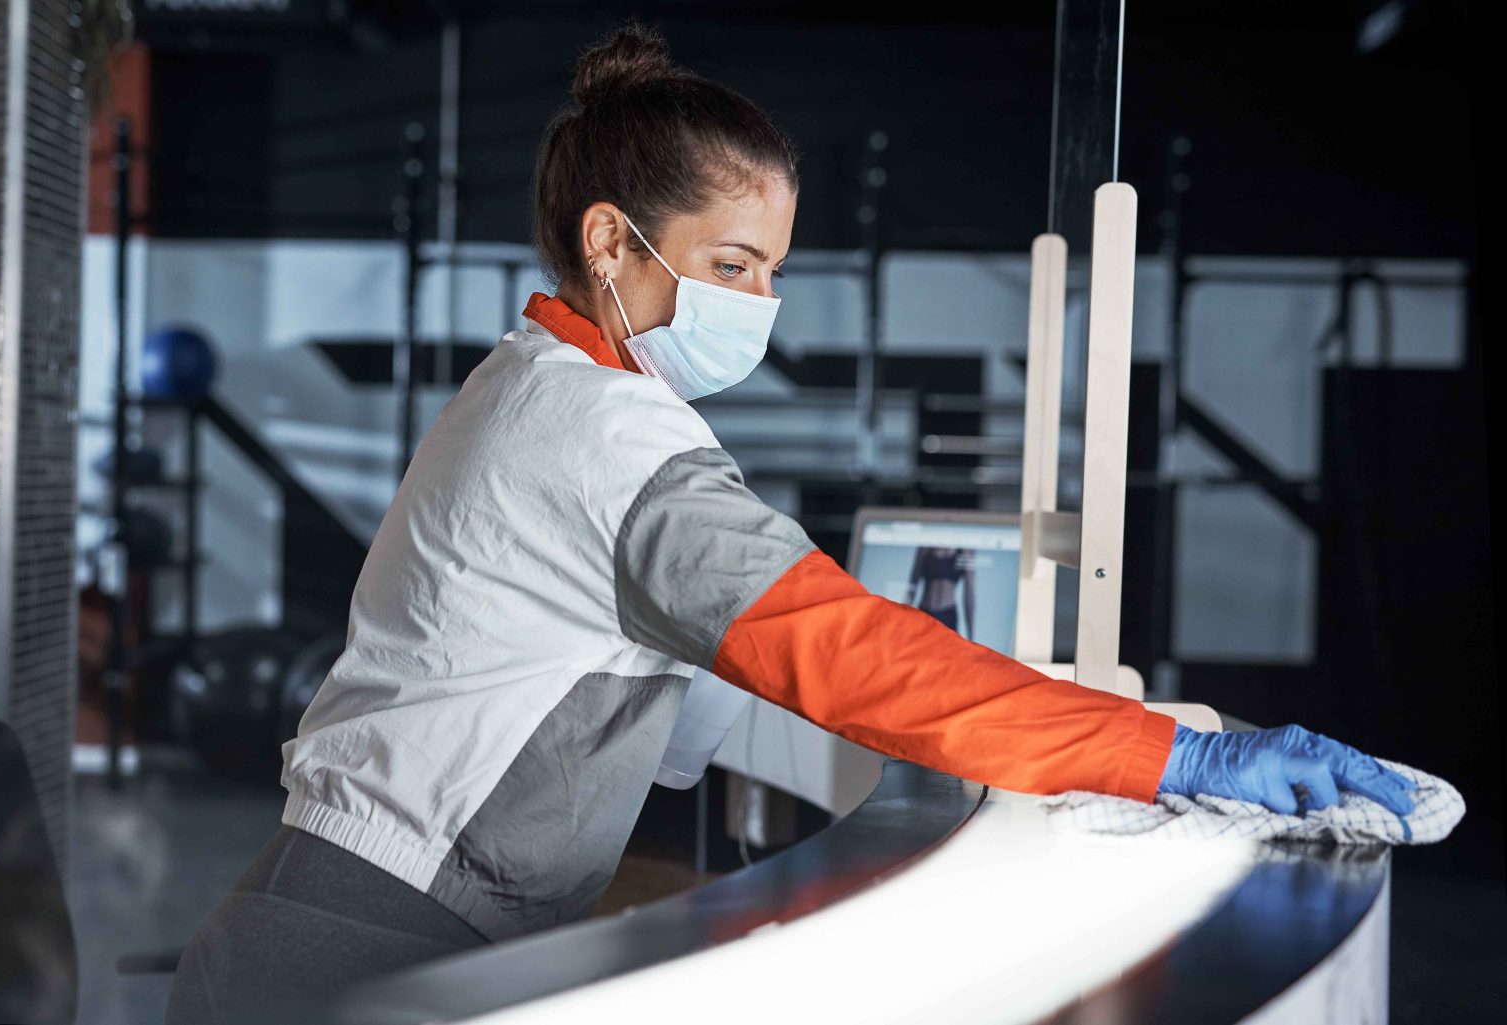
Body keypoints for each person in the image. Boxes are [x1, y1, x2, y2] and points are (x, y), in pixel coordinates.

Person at [167, 22, 1416, 1024]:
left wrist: (1000, 702)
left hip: (360, 913)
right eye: (730, 266)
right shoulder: (601, 437)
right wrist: (1168, 755)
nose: (762, 301)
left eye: (772, 270)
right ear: (613, 241)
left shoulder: (541, 384)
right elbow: (838, 652)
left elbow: (734, 659)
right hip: (363, 946)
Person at [906, 546, 977, 641]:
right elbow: (912, 586)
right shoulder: (926, 547)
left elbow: (969, 594)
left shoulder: (966, 550)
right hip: (924, 614)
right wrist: (904, 622)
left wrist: (971, 634)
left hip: (947, 615)